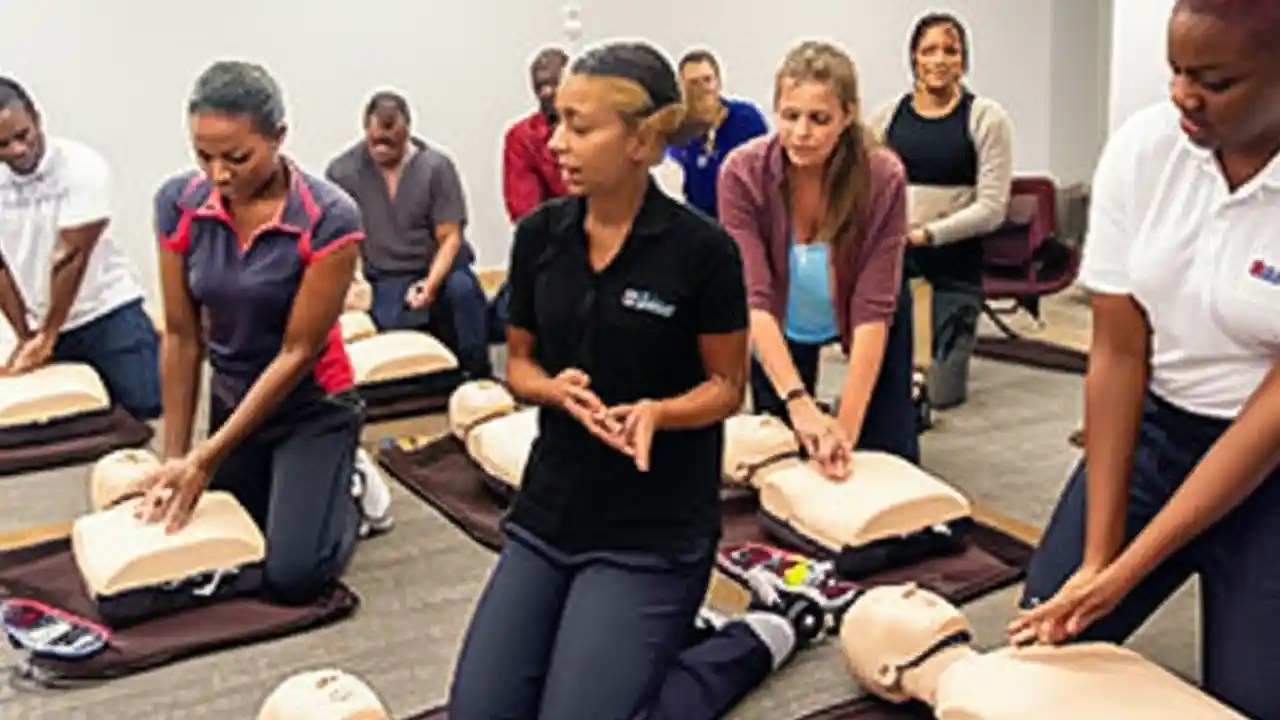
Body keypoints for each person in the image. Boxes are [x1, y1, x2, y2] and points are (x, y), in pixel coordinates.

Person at [448, 41, 806, 720]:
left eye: (580, 127)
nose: (557, 143)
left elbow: (727, 386)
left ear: (642, 140)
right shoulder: (540, 238)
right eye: (558, 122)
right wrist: (552, 391)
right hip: (552, 510)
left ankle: (759, 635)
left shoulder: (702, 251)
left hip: (656, 526)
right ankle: (653, 638)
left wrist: (658, 413)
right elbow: (519, 363)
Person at [1007, 2, 1280, 718]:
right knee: (1045, 642)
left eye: (1216, 82)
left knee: (1253, 699)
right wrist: (1099, 560)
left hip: (1269, 456)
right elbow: (1119, 352)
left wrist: (1132, 566)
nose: (1184, 96)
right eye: (1176, 70)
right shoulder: (1146, 147)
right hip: (1160, 428)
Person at [138, 61, 390, 606]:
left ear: (279, 137)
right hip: (234, 398)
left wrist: (207, 458)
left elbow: (299, 351)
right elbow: (182, 336)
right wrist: (176, 457)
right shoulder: (178, 204)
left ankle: (351, 486)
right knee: (224, 539)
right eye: (203, 156)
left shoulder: (328, 217)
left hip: (310, 403)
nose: (218, 175)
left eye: (237, 157)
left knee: (294, 575)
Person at [718, 40, 919, 477]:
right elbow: (755, 300)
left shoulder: (882, 177)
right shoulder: (742, 174)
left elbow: (872, 310)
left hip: (867, 315)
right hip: (775, 320)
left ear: (847, 116)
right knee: (782, 457)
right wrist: (798, 402)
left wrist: (845, 428)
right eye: (790, 116)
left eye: (819, 119)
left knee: (883, 455)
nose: (801, 132)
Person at [867, 12, 1014, 410]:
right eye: (929, 50)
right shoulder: (886, 118)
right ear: (914, 57)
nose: (940, 60)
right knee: (892, 384)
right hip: (897, 267)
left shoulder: (986, 118)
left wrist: (927, 234)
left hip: (955, 270)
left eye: (951, 51)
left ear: (963, 60)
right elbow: (865, 188)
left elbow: (991, 208)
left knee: (944, 396)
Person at [0, 76, 161, 419]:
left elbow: (71, 255)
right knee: (57, 417)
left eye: (22, 135)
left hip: (106, 311)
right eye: (2, 144)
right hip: (41, 320)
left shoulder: (81, 166)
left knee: (147, 406)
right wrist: (25, 334)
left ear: (37, 118)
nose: (17, 150)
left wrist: (46, 337)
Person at [326, 91, 492, 379]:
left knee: (464, 296)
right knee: (396, 331)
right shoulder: (344, 172)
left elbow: (450, 237)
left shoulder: (436, 167)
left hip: (441, 266)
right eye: (376, 141)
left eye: (391, 142)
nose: (382, 149)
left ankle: (478, 379)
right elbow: (341, 239)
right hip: (387, 274)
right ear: (366, 128)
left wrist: (429, 285)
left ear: (407, 131)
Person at [667, 49, 769, 218]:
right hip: (695, 224)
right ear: (682, 89)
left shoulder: (746, 120)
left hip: (743, 217)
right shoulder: (676, 132)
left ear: (719, 83)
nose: (702, 89)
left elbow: (764, 175)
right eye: (693, 83)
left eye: (707, 80)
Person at [502, 46, 571, 224]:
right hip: (553, 239)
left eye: (553, 83)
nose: (546, 92)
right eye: (540, 86)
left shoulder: (599, 128)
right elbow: (526, 212)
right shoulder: (522, 136)